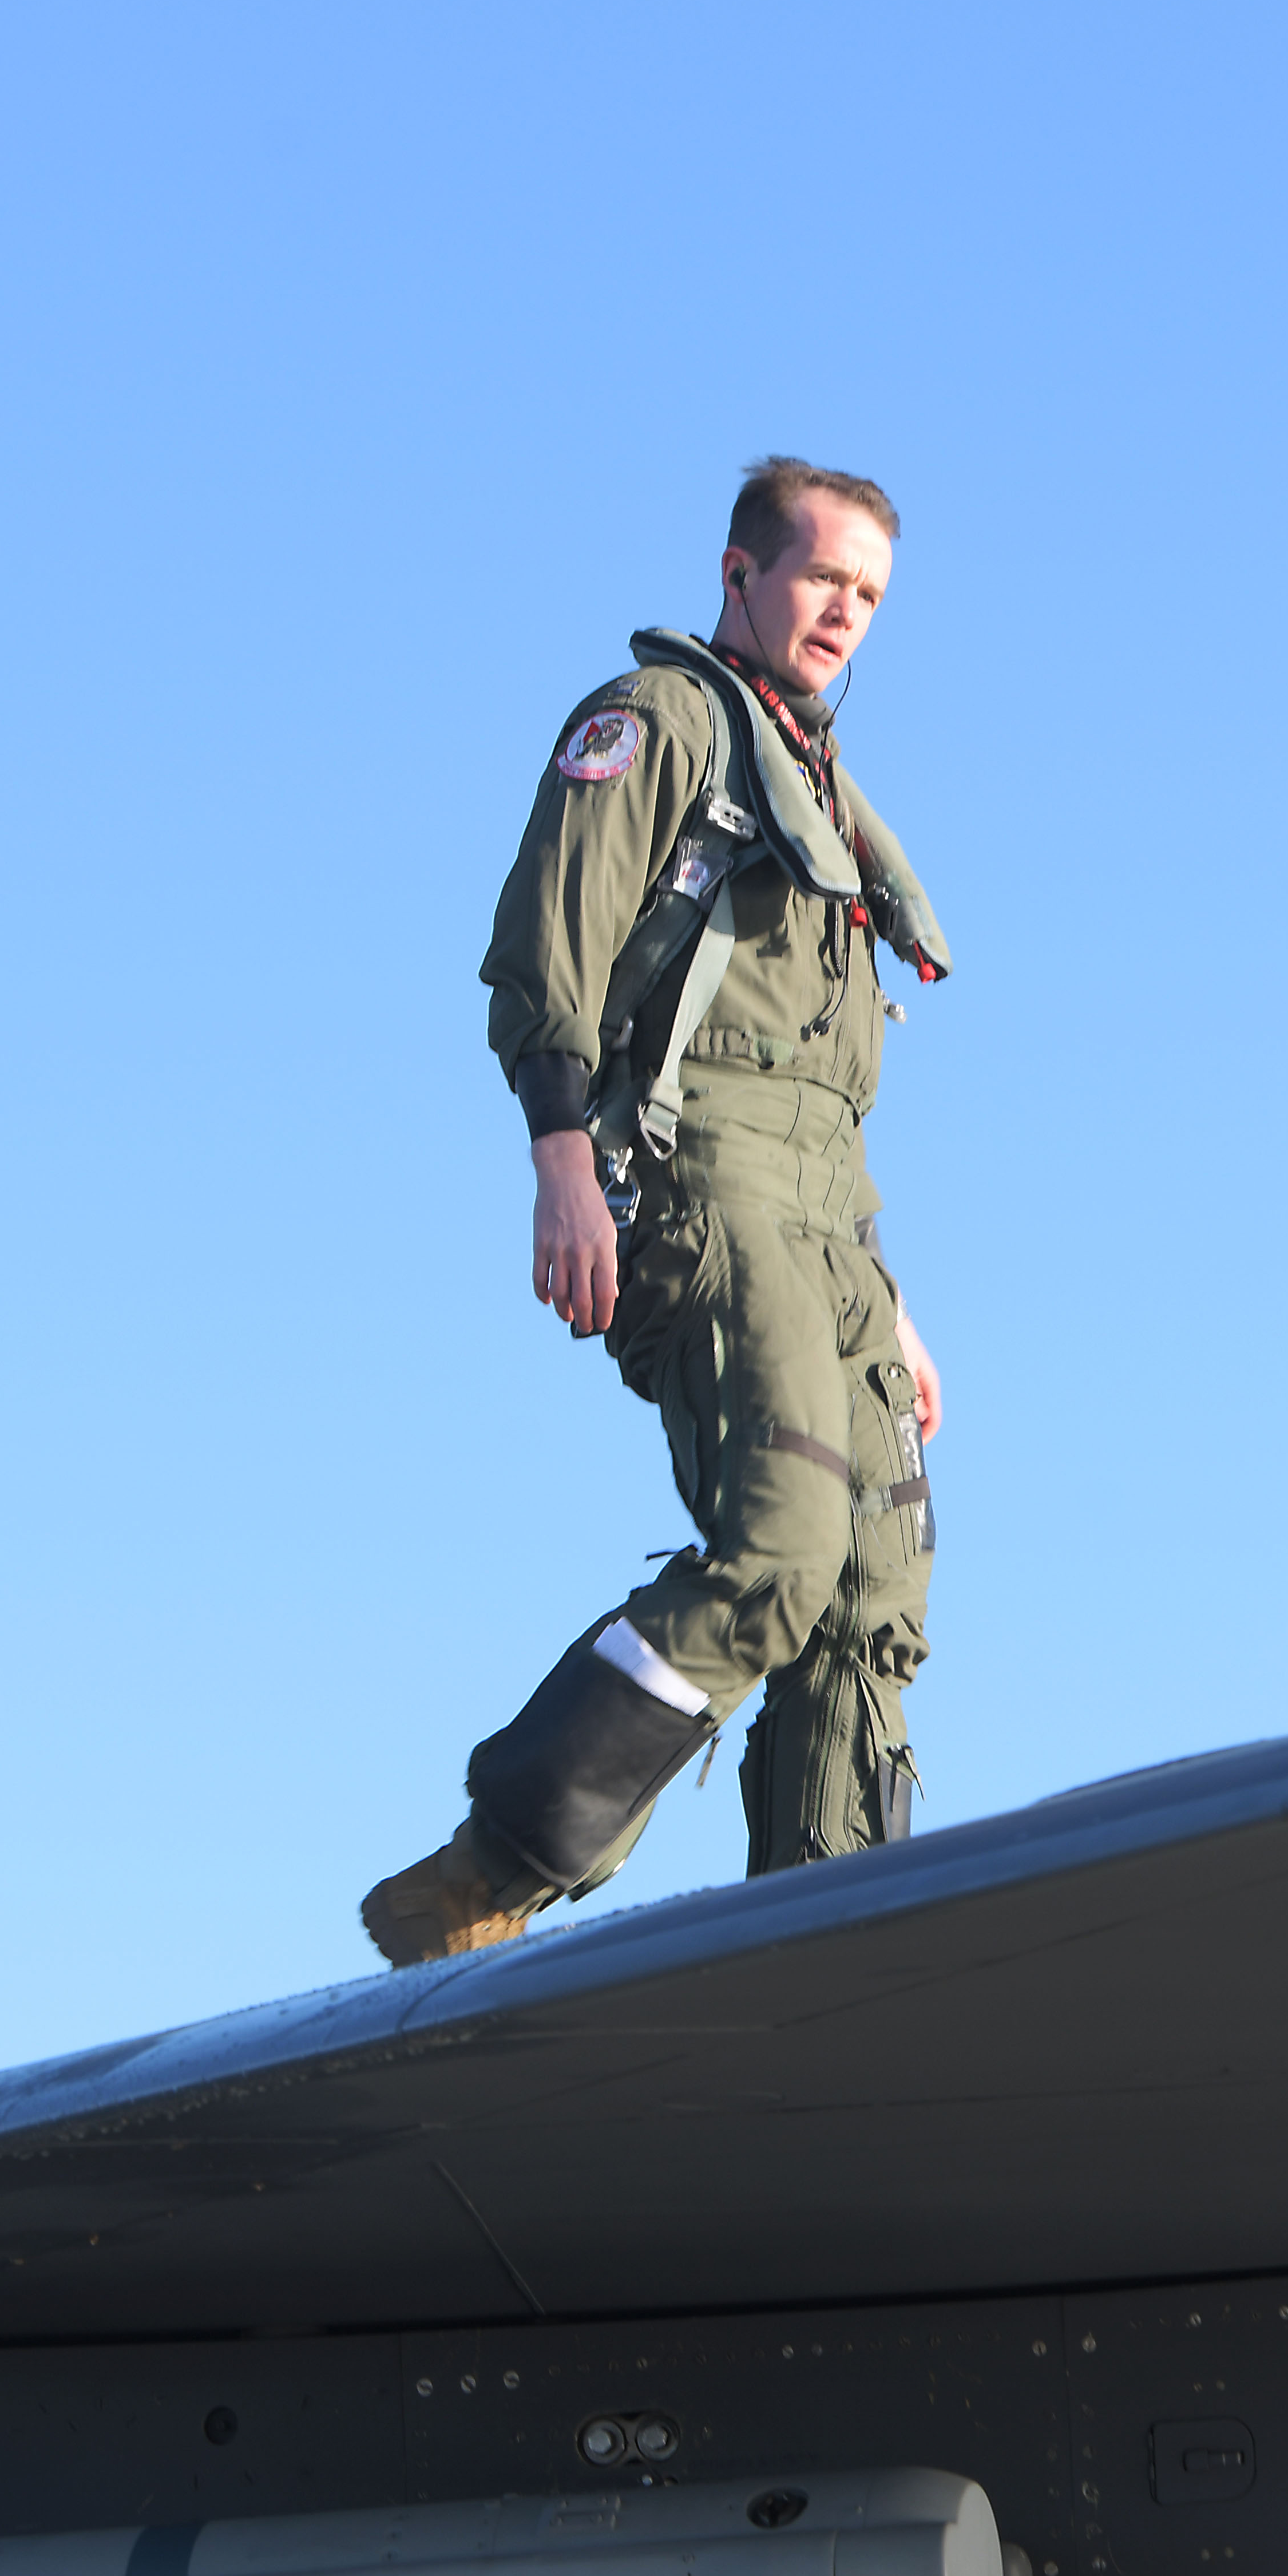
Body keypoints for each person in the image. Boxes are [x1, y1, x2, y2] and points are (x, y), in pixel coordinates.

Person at [359, 456, 957, 1967]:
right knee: (783, 1548)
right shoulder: (667, 727)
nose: (845, 612)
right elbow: (548, 946)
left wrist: (884, 1298)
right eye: (823, 576)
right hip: (712, 1182)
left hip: (832, 1220)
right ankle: (492, 1865)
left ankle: (834, 1952)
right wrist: (563, 1153)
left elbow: (831, 1092)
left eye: (871, 594)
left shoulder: (823, 792)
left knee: (875, 1598)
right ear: (741, 572)